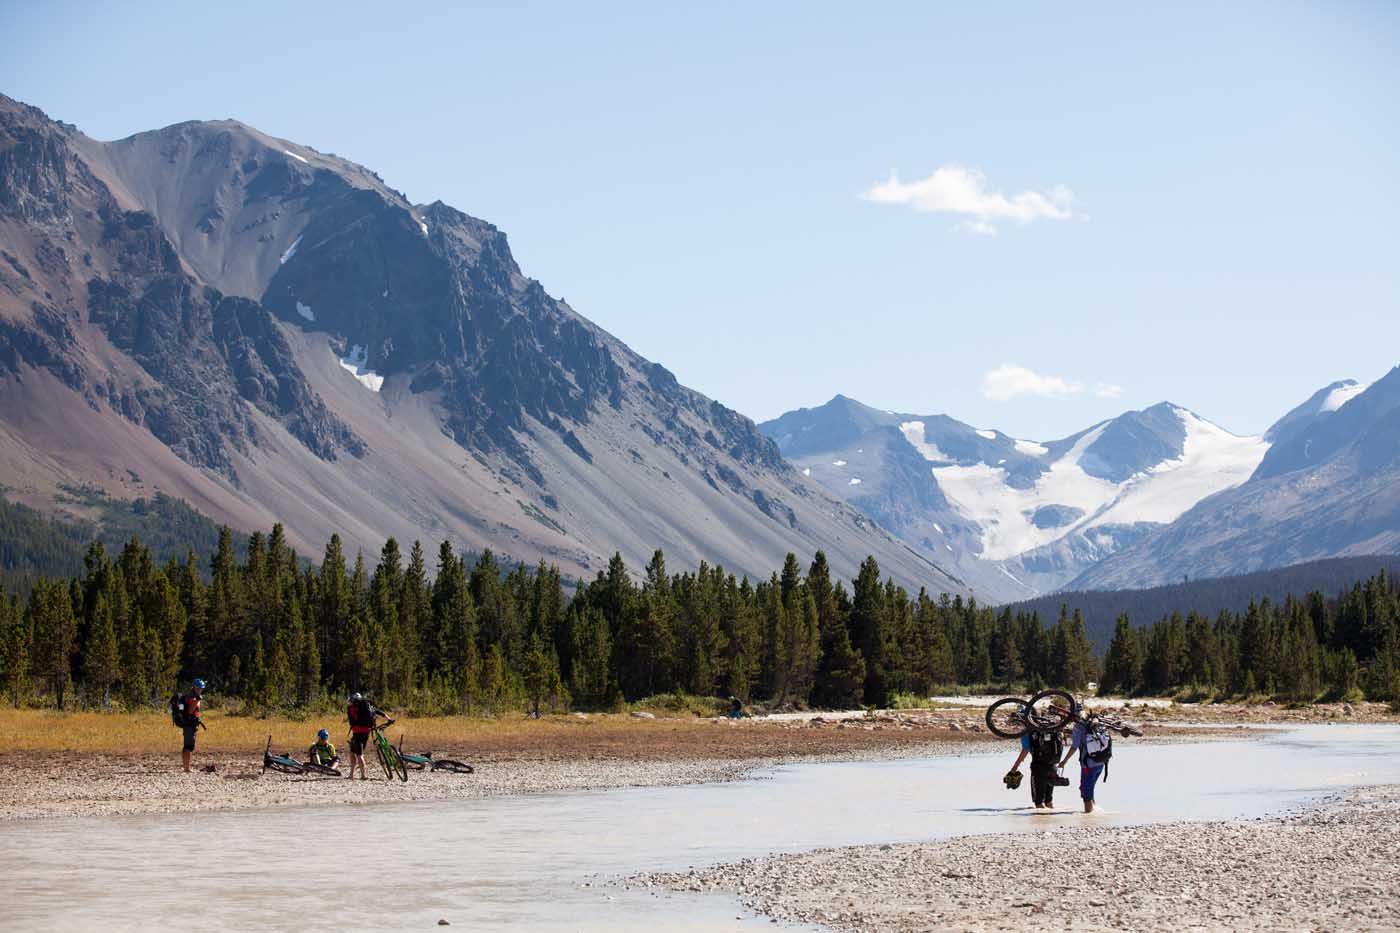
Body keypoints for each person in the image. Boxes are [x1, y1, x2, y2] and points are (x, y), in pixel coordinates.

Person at [1061, 715, 1113, 813]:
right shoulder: (1096, 722)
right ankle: (1095, 811)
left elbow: (1074, 747)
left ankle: (1089, 817)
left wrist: (1064, 761)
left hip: (1088, 764)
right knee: (1090, 788)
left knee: (1086, 792)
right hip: (1101, 762)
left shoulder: (1078, 727)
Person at [1007, 725, 1065, 809]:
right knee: (1049, 801)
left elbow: (1025, 750)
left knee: (1039, 802)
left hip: (1038, 767)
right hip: (1052, 766)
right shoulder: (1050, 727)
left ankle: (1040, 820)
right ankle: (1050, 819)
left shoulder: (1027, 731)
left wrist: (1015, 767)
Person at [345, 692, 388, 780]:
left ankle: (362, 775)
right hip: (367, 731)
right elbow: (377, 711)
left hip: (357, 732)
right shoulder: (366, 705)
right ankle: (351, 774)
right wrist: (388, 718)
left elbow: (351, 720)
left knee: (358, 754)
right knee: (353, 752)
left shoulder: (352, 708)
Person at [176, 678, 206, 773]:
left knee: (189, 746)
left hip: (192, 724)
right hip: (189, 724)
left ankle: (186, 767)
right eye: (198, 688)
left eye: (201, 688)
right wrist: (197, 700)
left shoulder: (194, 696)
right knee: (188, 746)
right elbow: (190, 711)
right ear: (193, 687)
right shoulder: (193, 697)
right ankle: (187, 768)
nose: (200, 690)